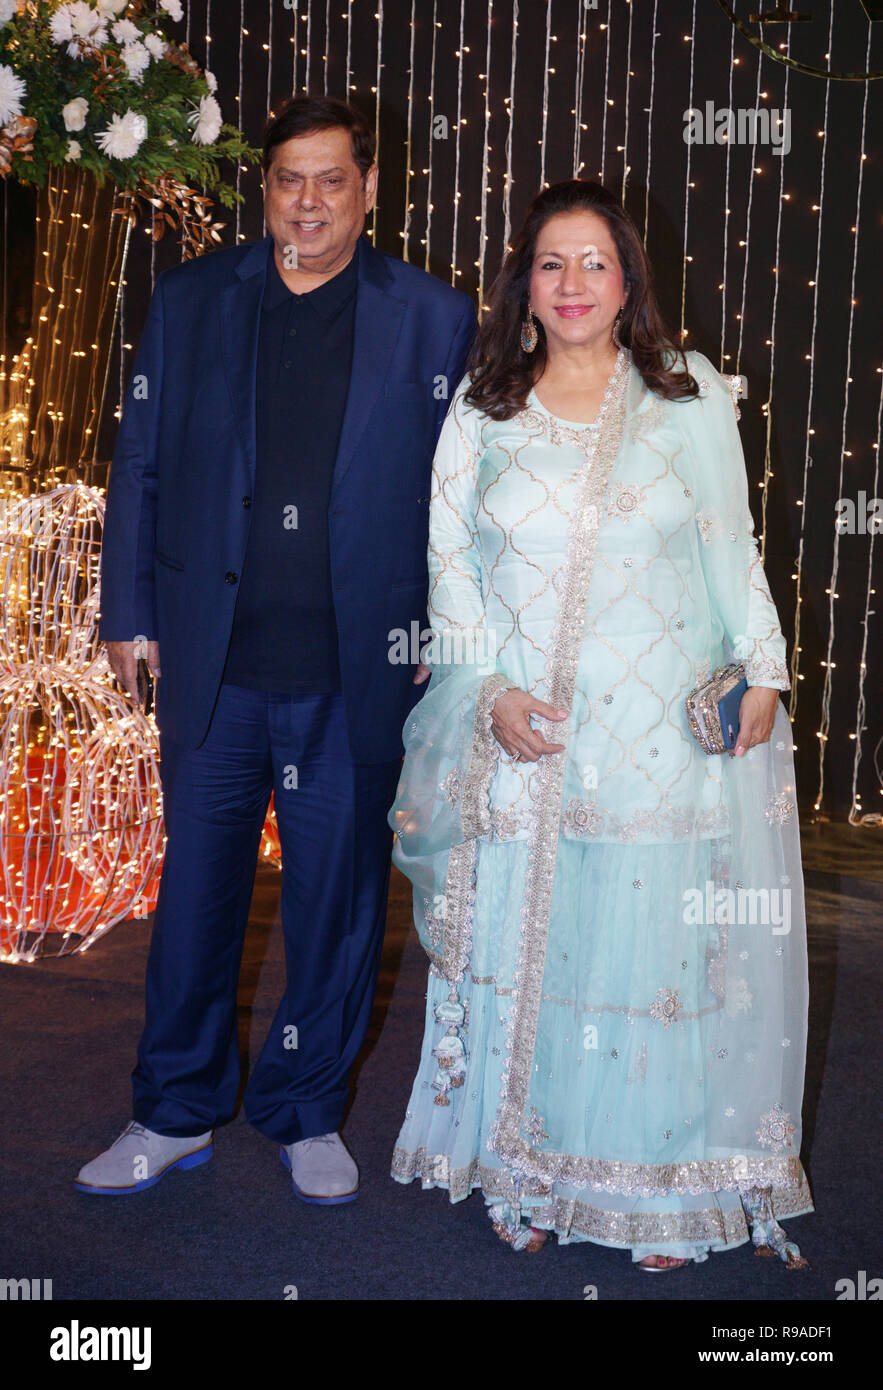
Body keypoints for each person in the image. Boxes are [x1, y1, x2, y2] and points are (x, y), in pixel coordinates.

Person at [389, 179, 812, 1270]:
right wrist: (487, 693)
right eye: (549, 263)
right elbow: (449, 564)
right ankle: (522, 1169)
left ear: (628, 282)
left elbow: (731, 548)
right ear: (522, 285)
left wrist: (762, 669)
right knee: (531, 955)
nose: (571, 283)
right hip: (526, 732)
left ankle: (657, 1189)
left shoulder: (686, 397)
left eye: (593, 262)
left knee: (648, 963)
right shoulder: (484, 407)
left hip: (658, 741)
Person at [78, 95, 476, 1202]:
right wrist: (124, 609)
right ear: (265, 192)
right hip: (213, 667)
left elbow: (462, 496)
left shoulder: (432, 318)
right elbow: (142, 459)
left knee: (336, 906)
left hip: (360, 669)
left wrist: (450, 637)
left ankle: (306, 1112)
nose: (307, 201)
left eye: (330, 180)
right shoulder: (196, 300)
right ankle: (172, 1110)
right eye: (287, 181)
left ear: (369, 188)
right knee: (194, 901)